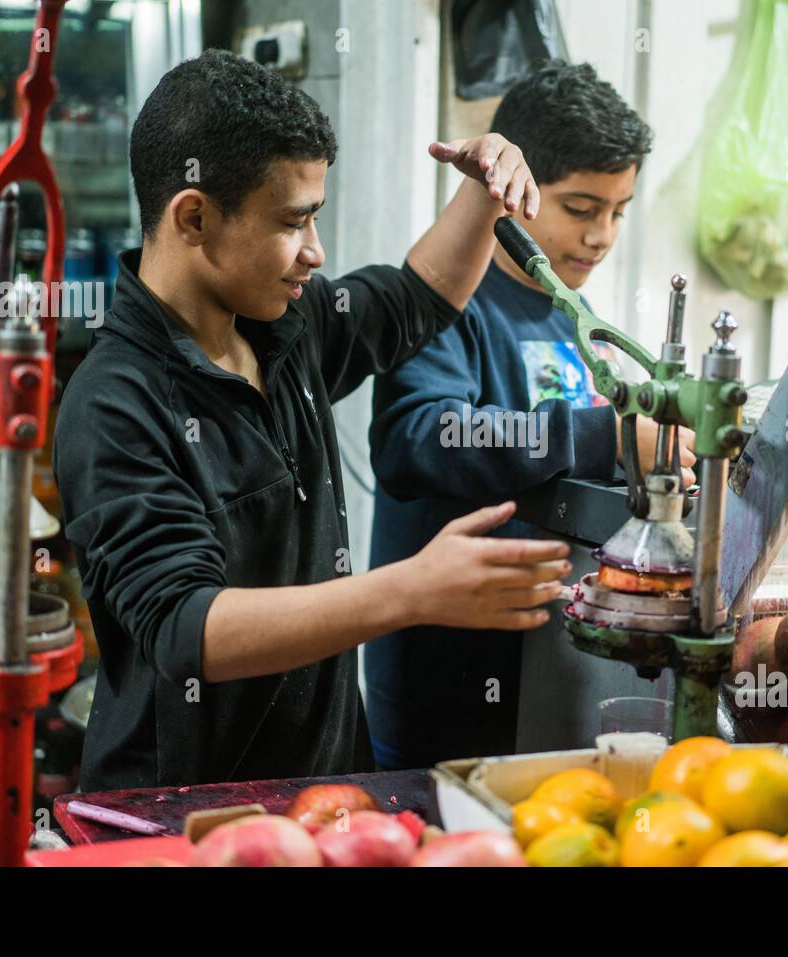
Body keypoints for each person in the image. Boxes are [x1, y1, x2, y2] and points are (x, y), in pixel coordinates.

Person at [54, 49, 570, 791]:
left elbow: (418, 298)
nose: (315, 253)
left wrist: (486, 189)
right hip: (183, 812)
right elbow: (185, 625)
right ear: (194, 217)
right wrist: (411, 590)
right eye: (293, 223)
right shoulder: (114, 403)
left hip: (323, 792)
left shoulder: (285, 330)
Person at [366, 61, 693, 769]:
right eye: (581, 208)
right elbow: (419, 436)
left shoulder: (577, 315)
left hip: (545, 673)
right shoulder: (452, 302)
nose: (603, 235)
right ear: (517, 189)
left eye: (618, 211)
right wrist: (604, 437)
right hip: (446, 681)